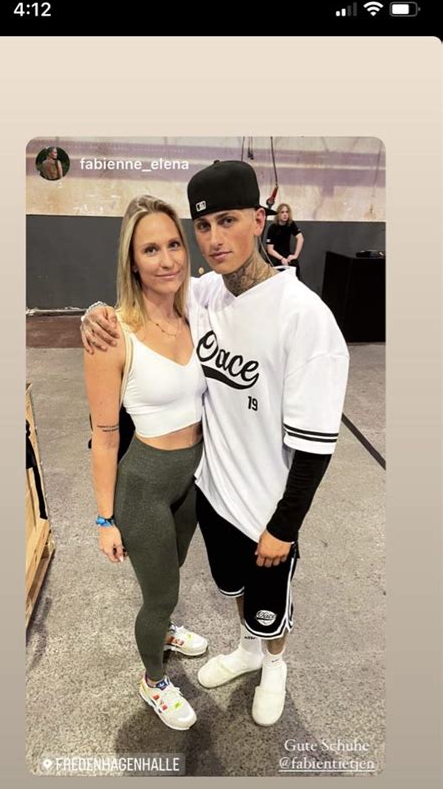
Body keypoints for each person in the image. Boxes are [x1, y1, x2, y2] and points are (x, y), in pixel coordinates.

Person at [81, 161, 349, 727]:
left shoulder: (305, 317)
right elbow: (140, 305)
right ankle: (248, 651)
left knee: (271, 606)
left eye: (228, 221)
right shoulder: (202, 295)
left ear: (259, 221)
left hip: (267, 506)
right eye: (202, 227)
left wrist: (285, 525)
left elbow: (317, 446)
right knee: (234, 591)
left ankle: (274, 664)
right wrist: (93, 314)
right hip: (212, 491)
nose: (213, 239)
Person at [84, 195, 208, 731]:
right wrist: (104, 518)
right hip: (145, 487)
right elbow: (105, 435)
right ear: (132, 262)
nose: (167, 259)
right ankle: (153, 680)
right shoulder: (111, 332)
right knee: (160, 593)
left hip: (191, 479)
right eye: (150, 249)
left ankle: (164, 630)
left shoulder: (196, 313)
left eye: (174, 244)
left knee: (171, 571)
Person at [265, 202, 304, 279]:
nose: (285, 214)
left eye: (287, 212)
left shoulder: (291, 224)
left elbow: (300, 238)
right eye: (282, 212)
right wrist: (282, 259)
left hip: (286, 254)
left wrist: (295, 255)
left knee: (294, 264)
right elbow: (270, 250)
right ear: (278, 214)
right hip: (274, 255)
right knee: (277, 272)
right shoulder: (272, 228)